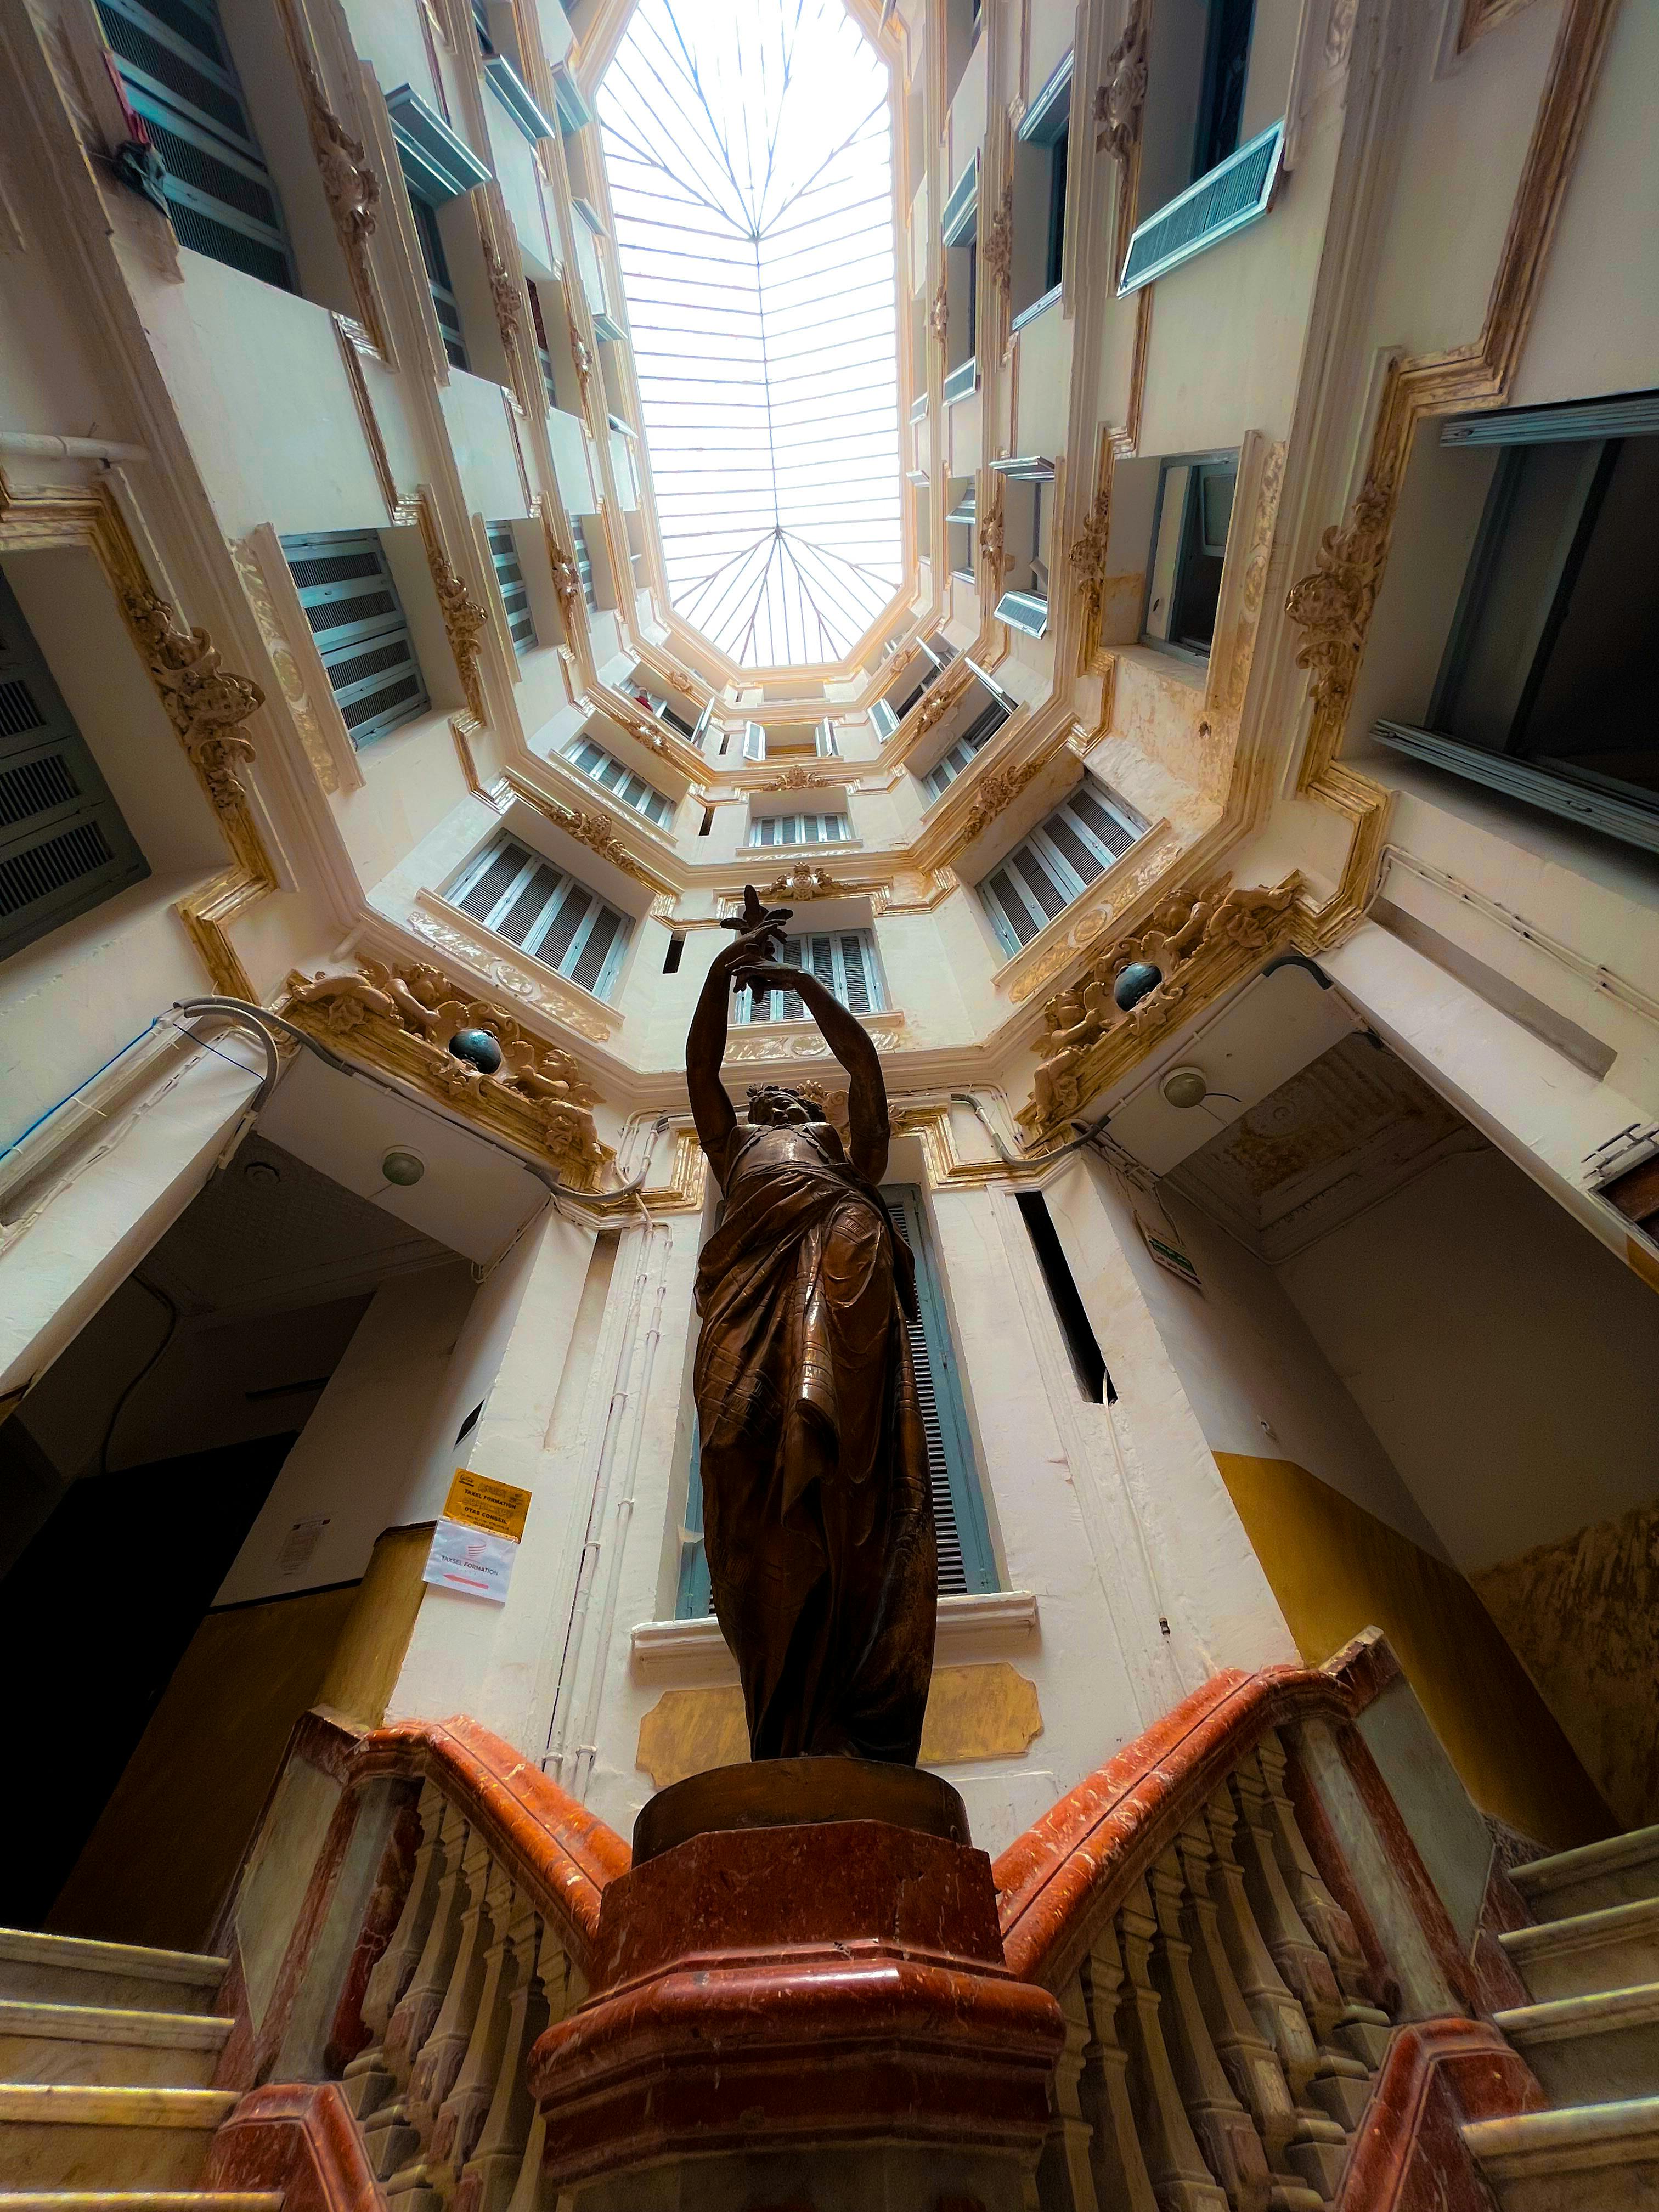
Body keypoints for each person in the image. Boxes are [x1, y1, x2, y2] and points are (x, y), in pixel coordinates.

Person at [684, 907, 935, 1763]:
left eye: (797, 1099)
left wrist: (808, 987)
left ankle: (845, 1656)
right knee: (730, 1451)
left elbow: (864, 1071)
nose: (782, 1099)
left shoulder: (845, 1161)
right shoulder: (733, 1150)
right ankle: (774, 1680)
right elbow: (700, 1068)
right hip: (746, 1294)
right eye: (772, 1099)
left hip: (841, 1250)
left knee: (838, 1444)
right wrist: (721, 972)